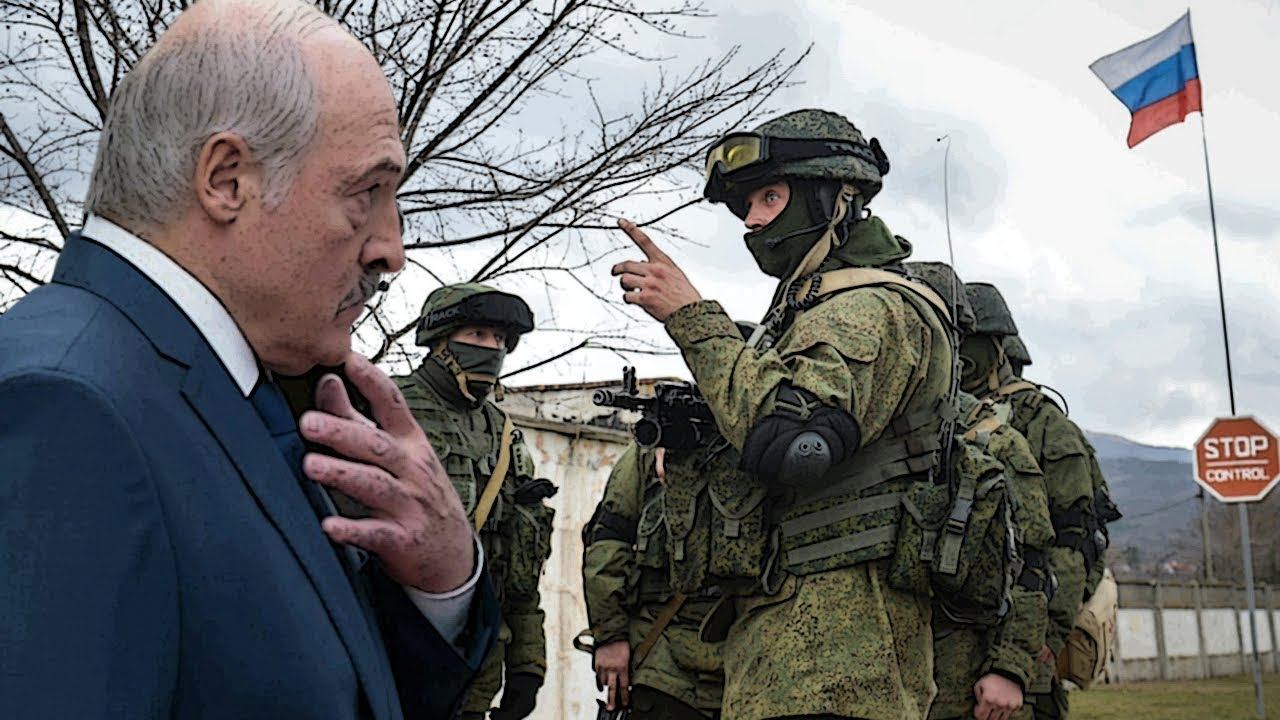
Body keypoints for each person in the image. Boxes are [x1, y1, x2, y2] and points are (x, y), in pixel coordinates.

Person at [0, 1, 498, 717]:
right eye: (368, 192)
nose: (391, 249)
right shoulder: (66, 410)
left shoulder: (218, 386)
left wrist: (439, 579)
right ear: (227, 179)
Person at [611, 108, 951, 719]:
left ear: (837, 198)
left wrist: (692, 318)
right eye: (746, 206)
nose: (753, 220)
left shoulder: (869, 308)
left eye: (770, 197)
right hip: (785, 651)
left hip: (841, 663)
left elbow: (794, 445)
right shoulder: (806, 312)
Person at [393, 283, 556, 720]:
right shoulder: (389, 407)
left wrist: (527, 663)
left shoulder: (503, 434)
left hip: (476, 668)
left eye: (500, 339)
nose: (492, 349)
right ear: (440, 341)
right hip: (393, 655)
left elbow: (521, 561)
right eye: (478, 334)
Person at [906, 263, 1056, 720]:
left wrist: (1009, 666)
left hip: (958, 684)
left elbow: (1031, 563)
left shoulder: (990, 439)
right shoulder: (850, 431)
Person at [960, 282, 1103, 720]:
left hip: (1023, 647)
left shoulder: (1043, 425)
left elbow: (1072, 545)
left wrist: (1037, 647)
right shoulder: (944, 415)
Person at [582, 442, 726, 720]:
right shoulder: (646, 453)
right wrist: (610, 637)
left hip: (745, 666)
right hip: (663, 663)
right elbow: (608, 544)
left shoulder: (761, 440)